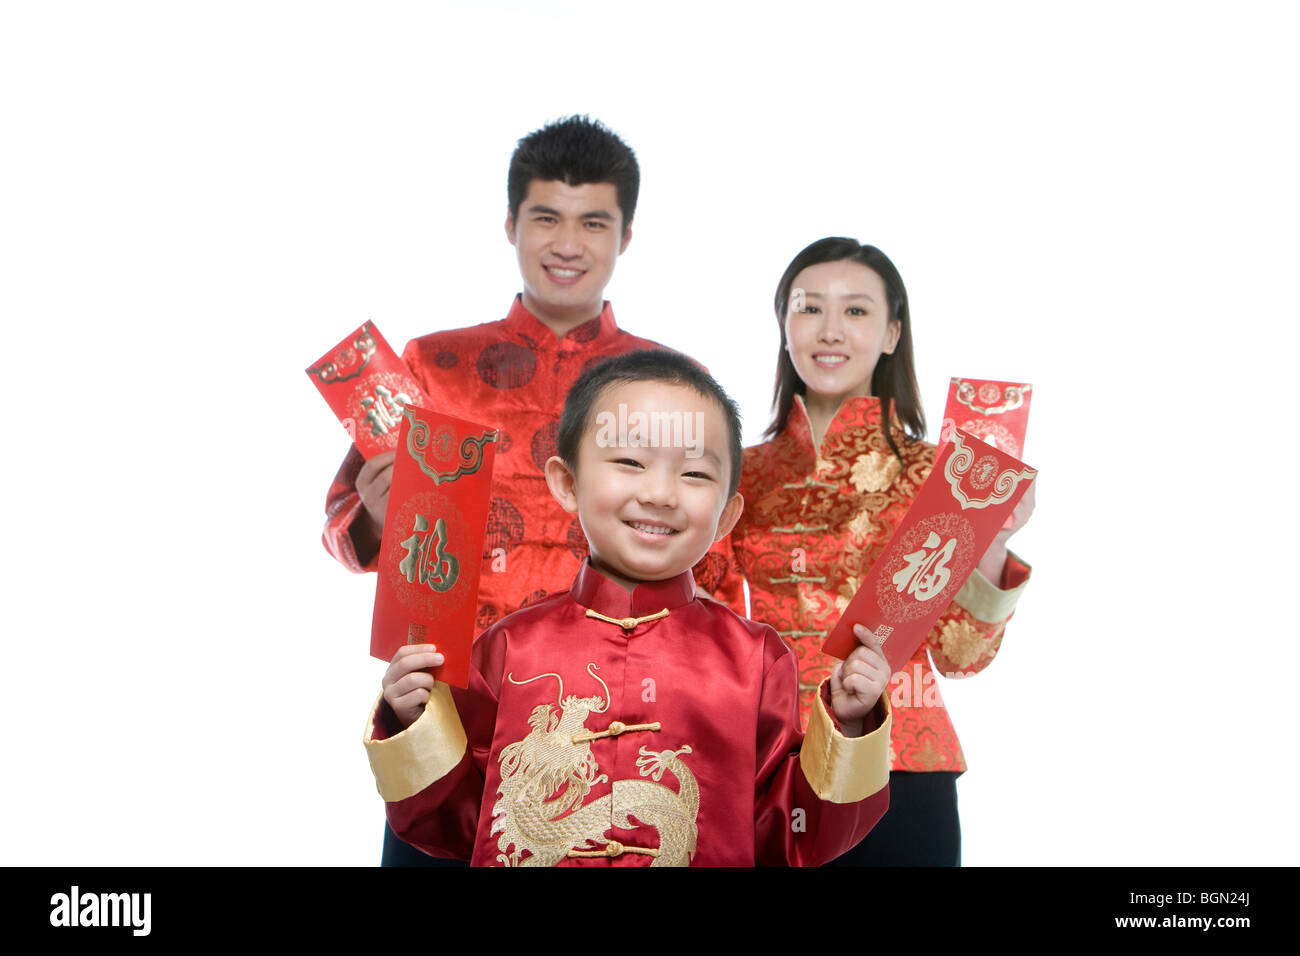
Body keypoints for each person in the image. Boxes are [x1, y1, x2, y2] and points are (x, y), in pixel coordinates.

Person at [321, 115, 737, 864]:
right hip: (448, 710)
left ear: (626, 236)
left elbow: (716, 560)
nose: (568, 245)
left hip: (612, 719)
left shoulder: (671, 383)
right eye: (546, 218)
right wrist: (379, 517)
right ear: (511, 223)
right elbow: (343, 528)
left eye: (593, 222)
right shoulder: (434, 365)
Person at [363, 350, 894, 866]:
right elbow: (455, 826)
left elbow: (793, 835)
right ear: (567, 483)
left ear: (728, 514)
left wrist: (848, 727)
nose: (660, 493)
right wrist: (414, 722)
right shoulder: (507, 646)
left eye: (694, 475)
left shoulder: (755, 658)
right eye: (630, 462)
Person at [719, 238, 1034, 866]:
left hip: (904, 763)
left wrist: (994, 541)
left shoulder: (937, 476)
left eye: (857, 312)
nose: (830, 330)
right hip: (769, 760)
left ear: (892, 332)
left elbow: (962, 656)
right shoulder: (734, 474)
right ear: (784, 327)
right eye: (809, 308)